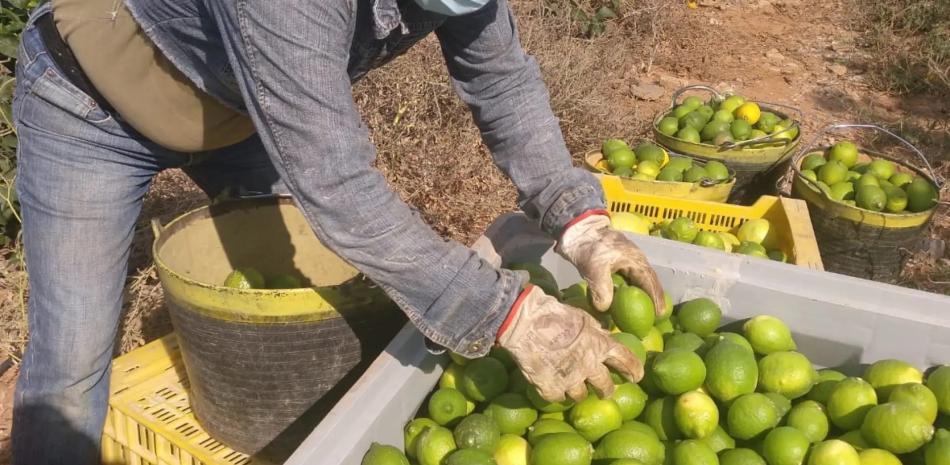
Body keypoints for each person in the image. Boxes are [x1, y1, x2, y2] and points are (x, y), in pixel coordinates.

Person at [10, 0, 665, 463]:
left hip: (241, 112)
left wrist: (580, 221)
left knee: (317, 299)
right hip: (92, 106)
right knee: (71, 363)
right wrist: (509, 312)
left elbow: (506, 86)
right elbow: (337, 184)